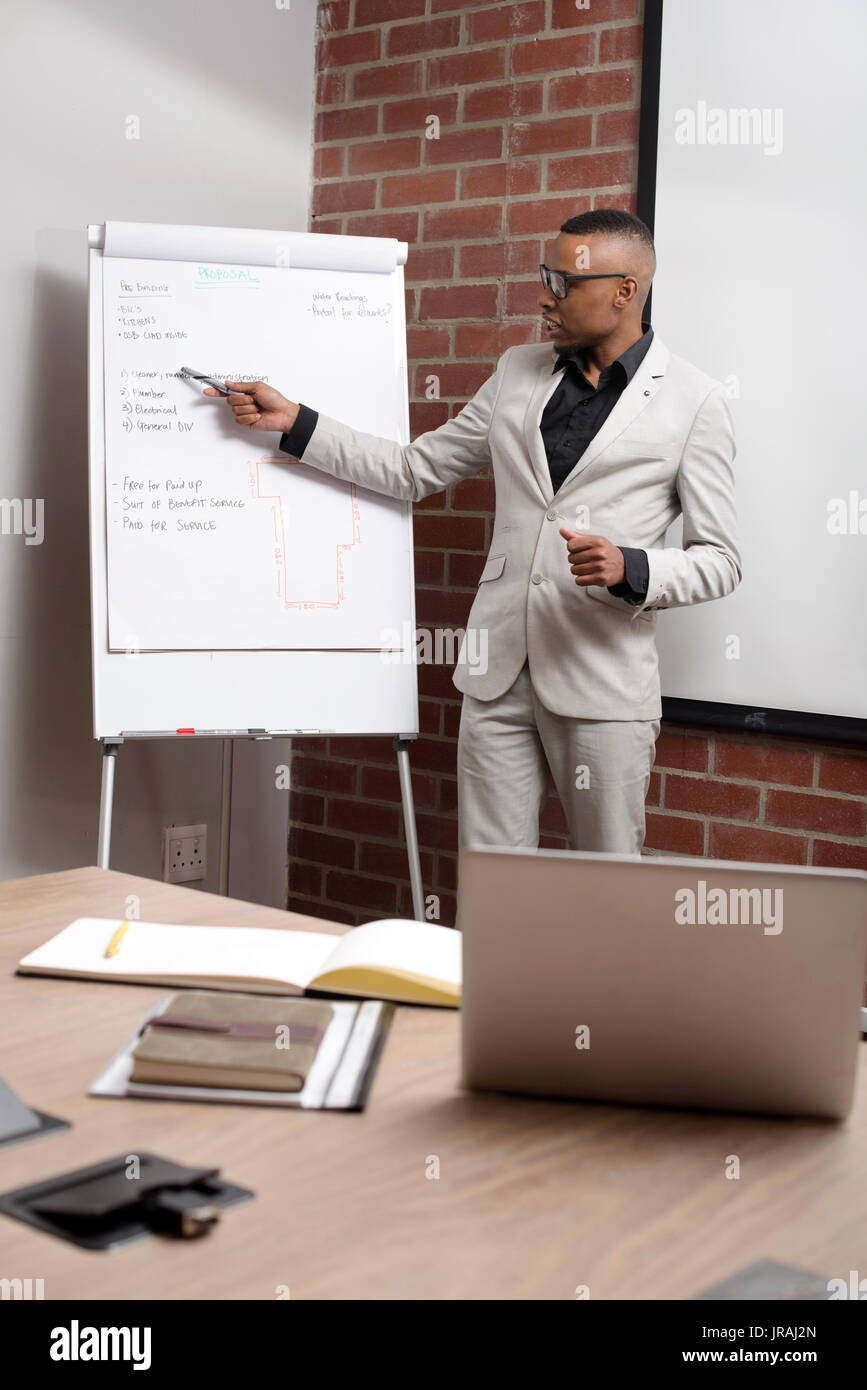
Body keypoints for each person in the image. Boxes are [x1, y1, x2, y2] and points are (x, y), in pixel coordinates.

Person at [204, 209, 741, 855]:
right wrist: (296, 421)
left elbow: (720, 559)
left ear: (625, 290)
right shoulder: (518, 369)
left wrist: (635, 567)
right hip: (496, 677)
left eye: (564, 283)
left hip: (602, 684)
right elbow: (413, 470)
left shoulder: (695, 402)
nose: (545, 297)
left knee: (608, 879)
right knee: (491, 877)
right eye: (545, 276)